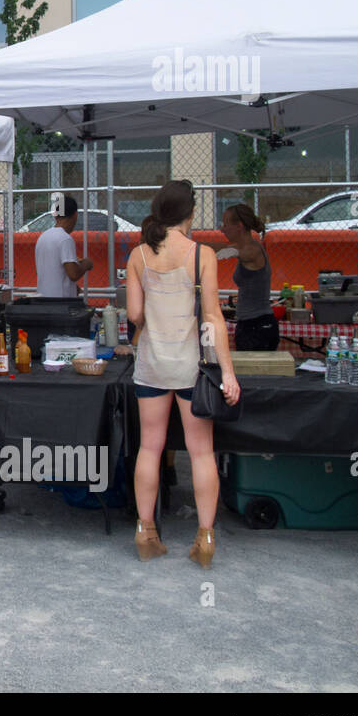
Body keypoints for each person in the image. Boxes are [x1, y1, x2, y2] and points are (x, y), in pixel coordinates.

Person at [127, 180, 240, 568]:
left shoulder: (138, 256)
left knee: (150, 448)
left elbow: (134, 316)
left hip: (151, 365)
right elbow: (212, 318)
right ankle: (205, 539)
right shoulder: (202, 255)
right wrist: (228, 372)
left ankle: (146, 532)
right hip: (193, 367)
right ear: (190, 213)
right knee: (201, 452)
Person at [220, 203, 278, 352]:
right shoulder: (247, 248)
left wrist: (190, 245)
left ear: (239, 226)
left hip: (258, 325)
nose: (222, 229)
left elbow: (221, 251)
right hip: (248, 323)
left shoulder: (251, 250)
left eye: (225, 225)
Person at [34, 195, 94, 297]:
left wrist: (71, 286)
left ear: (55, 215)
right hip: (60, 302)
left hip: (42, 299)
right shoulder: (65, 239)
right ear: (75, 215)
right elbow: (73, 274)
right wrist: (86, 264)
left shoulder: (43, 237)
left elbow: (50, 269)